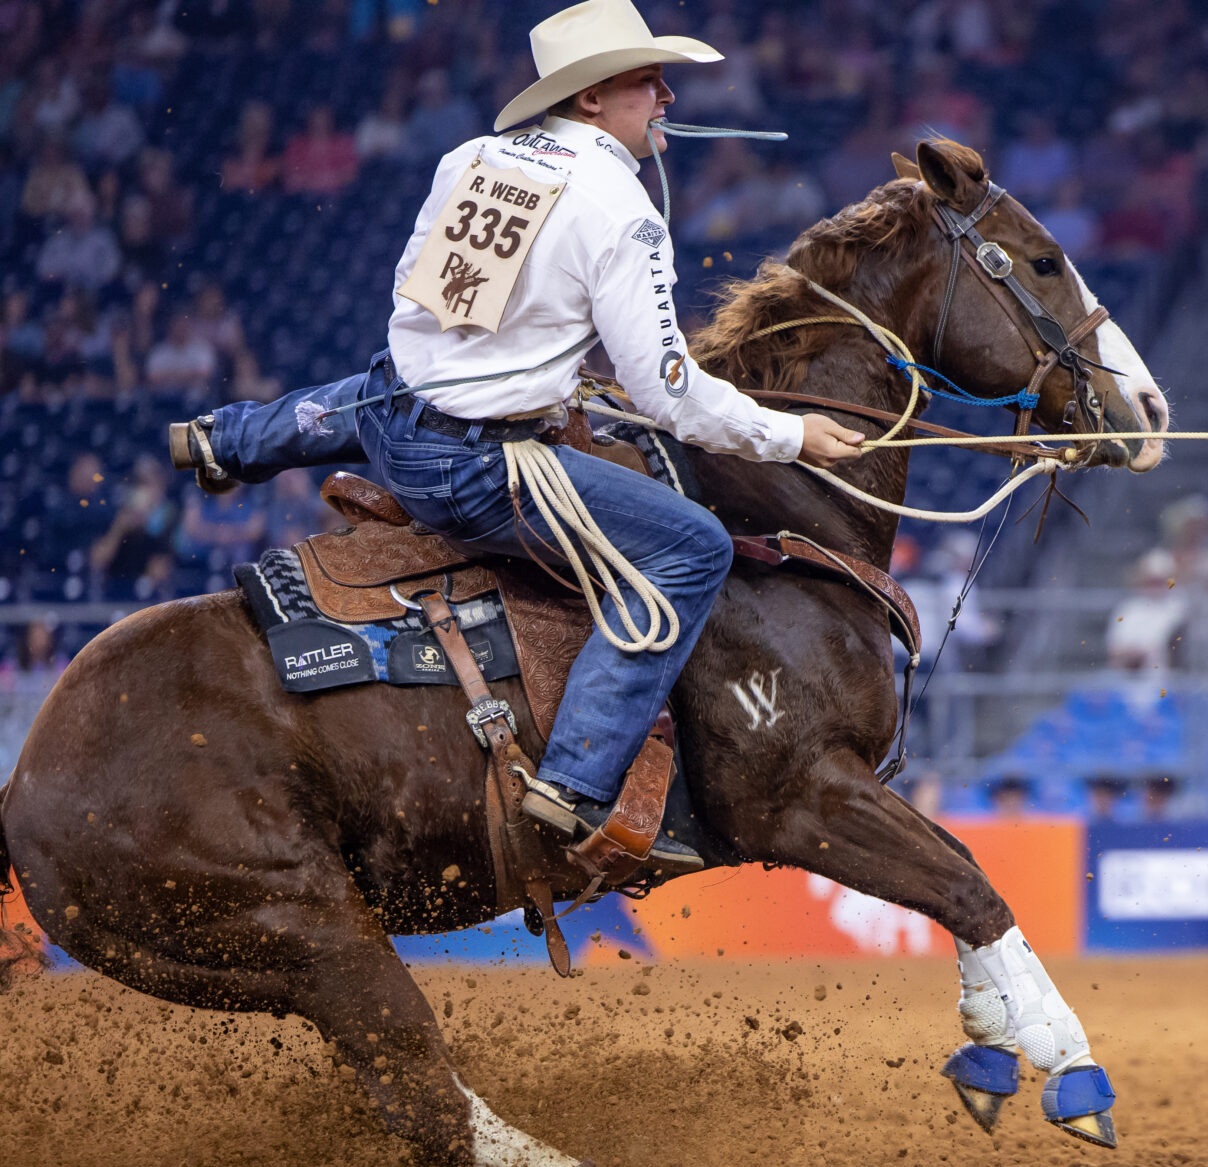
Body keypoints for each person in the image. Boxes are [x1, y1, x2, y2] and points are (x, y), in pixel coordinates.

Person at [168, 0, 867, 871]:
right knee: (692, 549)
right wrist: (790, 435)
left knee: (389, 393)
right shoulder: (623, 209)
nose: (667, 96)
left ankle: (228, 439)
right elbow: (670, 393)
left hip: (387, 409)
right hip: (471, 466)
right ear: (588, 101)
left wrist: (538, 364)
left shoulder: (474, 157)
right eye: (646, 80)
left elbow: (436, 305)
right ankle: (574, 779)